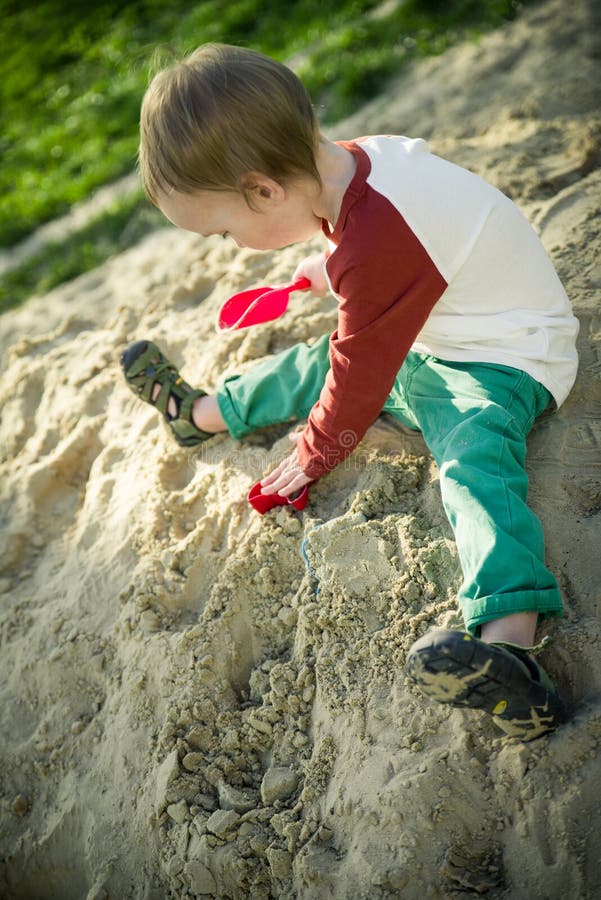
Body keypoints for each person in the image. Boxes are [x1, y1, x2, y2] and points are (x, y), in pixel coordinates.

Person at [121, 43, 579, 741]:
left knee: (473, 458)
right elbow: (375, 249)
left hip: (502, 361)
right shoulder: (356, 162)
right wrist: (313, 273)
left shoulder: (380, 233)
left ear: (264, 190)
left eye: (223, 229)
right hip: (437, 337)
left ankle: (510, 647)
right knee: (310, 359)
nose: (229, 246)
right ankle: (201, 415)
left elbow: (358, 379)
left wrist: (312, 456)